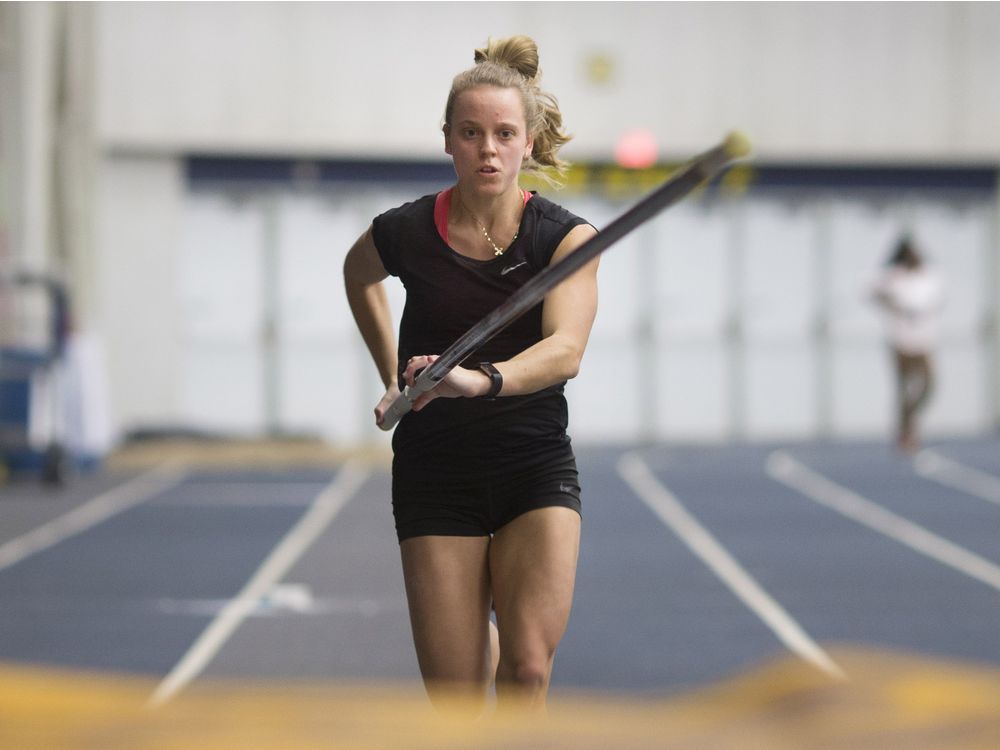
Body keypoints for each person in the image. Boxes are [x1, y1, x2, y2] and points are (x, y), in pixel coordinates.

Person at [343, 36, 599, 713]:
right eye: (471, 133)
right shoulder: (405, 232)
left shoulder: (564, 240)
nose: (488, 148)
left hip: (531, 466)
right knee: (457, 703)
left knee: (527, 671)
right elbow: (357, 274)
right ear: (449, 141)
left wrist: (477, 379)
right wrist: (393, 376)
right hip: (436, 473)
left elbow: (564, 351)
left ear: (528, 142)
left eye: (504, 133)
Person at [871, 235, 945, 452]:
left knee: (928, 386)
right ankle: (906, 434)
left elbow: (937, 299)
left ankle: (909, 422)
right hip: (901, 343)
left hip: (923, 343)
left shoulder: (930, 276)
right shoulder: (894, 277)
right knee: (903, 389)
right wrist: (891, 304)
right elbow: (872, 289)